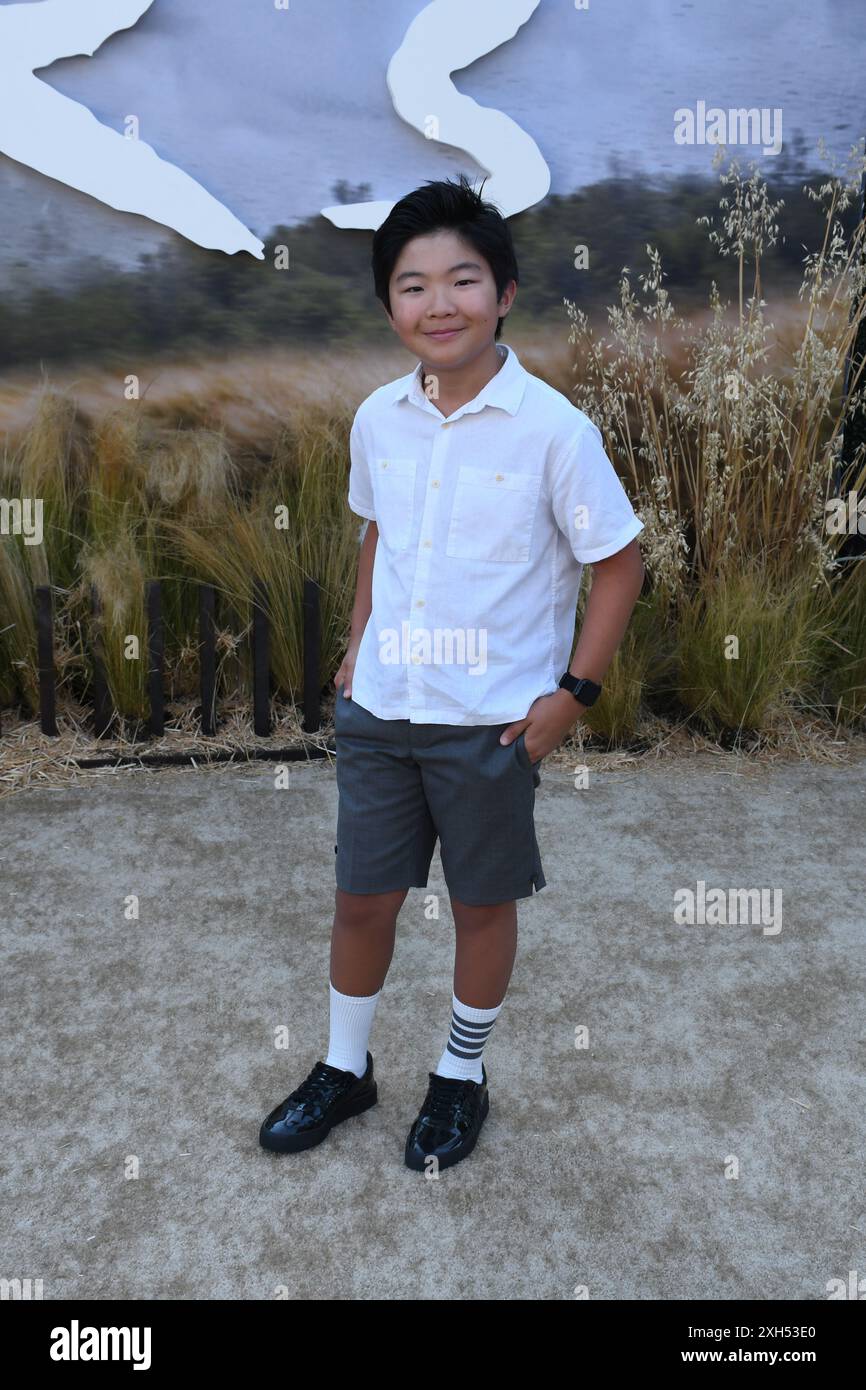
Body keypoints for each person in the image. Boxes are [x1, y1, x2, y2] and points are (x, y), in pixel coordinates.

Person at [260, 173, 645, 1172]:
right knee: (362, 901)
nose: (439, 304)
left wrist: (574, 694)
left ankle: (460, 1075)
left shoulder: (553, 430)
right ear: (389, 304)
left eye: (461, 280)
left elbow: (617, 562)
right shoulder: (378, 418)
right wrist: (355, 643)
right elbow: (377, 536)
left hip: (490, 724)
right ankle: (345, 1069)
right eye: (412, 285)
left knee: (481, 907)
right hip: (381, 711)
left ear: (505, 291)